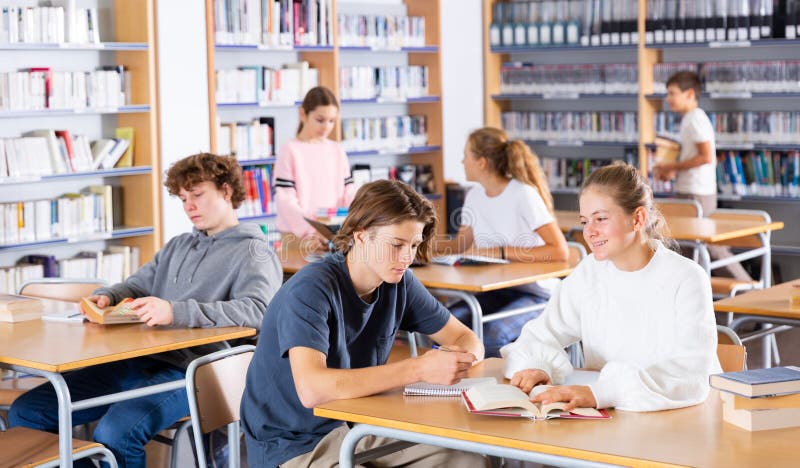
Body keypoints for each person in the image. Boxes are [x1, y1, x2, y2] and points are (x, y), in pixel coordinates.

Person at [9, 153, 283, 467]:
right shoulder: (179, 245)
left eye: (197, 195)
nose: (189, 206)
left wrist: (176, 311)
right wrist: (107, 297)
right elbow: (139, 284)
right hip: (133, 361)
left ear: (226, 191)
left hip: (192, 370)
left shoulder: (254, 251)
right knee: (27, 413)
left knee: (117, 432)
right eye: (183, 199)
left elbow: (259, 311)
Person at [241, 179, 487, 468]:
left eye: (414, 245)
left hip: (358, 425)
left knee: (467, 461)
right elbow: (312, 390)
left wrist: (453, 360)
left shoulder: (399, 281)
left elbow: (467, 339)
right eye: (396, 245)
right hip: (294, 442)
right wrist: (419, 368)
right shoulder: (311, 289)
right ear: (361, 236)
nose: (407, 257)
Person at [501, 163, 721, 412]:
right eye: (585, 221)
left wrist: (601, 393)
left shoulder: (687, 278)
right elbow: (542, 334)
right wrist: (537, 366)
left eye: (601, 219)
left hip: (682, 420)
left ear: (637, 219)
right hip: (610, 417)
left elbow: (689, 373)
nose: (589, 232)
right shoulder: (590, 271)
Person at [435, 127, 568, 357]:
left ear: (482, 162)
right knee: (444, 325)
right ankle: (454, 384)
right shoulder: (474, 196)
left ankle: (493, 390)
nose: (462, 161)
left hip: (536, 293)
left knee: (492, 335)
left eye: (466, 155)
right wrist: (420, 245)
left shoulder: (522, 194)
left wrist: (500, 251)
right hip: (498, 290)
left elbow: (560, 251)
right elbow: (462, 244)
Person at [653, 70, 751, 281]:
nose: (668, 98)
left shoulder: (695, 118)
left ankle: (749, 287)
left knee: (710, 246)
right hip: (691, 190)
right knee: (688, 249)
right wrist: (671, 169)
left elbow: (706, 157)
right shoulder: (691, 119)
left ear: (689, 93)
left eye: (672, 93)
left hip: (696, 193)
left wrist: (672, 166)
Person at [274, 85, 356, 251]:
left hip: (334, 232)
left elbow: (349, 191)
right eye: (320, 120)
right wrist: (311, 231)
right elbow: (285, 200)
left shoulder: (337, 150)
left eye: (332, 121)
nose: (326, 126)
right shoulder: (290, 150)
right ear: (303, 114)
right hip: (298, 236)